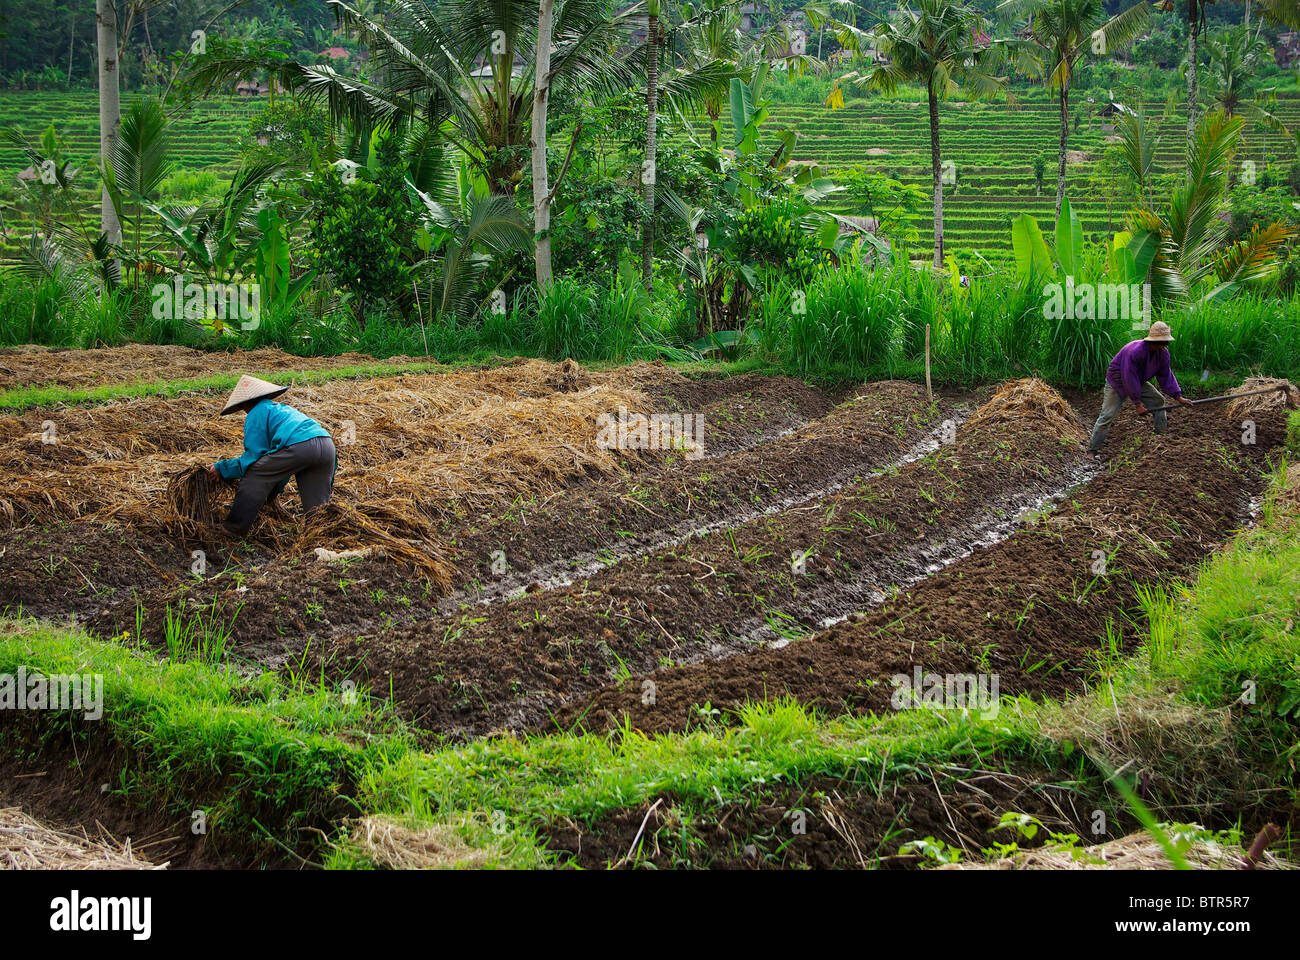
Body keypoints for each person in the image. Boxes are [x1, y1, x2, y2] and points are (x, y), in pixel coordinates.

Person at [205, 375, 337, 536]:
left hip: (300, 446)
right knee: (316, 506)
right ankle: (319, 538)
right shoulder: (281, 409)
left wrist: (222, 468)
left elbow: (253, 459)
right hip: (326, 444)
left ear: (244, 404)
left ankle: (233, 528)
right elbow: (277, 467)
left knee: (255, 472)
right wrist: (272, 493)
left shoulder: (256, 412)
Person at [1088, 321, 1193, 458]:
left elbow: (1166, 376)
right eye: (1164, 341)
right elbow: (1128, 377)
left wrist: (1178, 397)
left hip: (1138, 380)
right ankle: (1092, 450)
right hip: (1117, 382)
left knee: (1158, 401)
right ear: (1154, 341)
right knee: (1107, 415)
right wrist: (1137, 404)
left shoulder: (1163, 354)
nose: (1166, 345)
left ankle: (1161, 434)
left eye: (1167, 341)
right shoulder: (1135, 351)